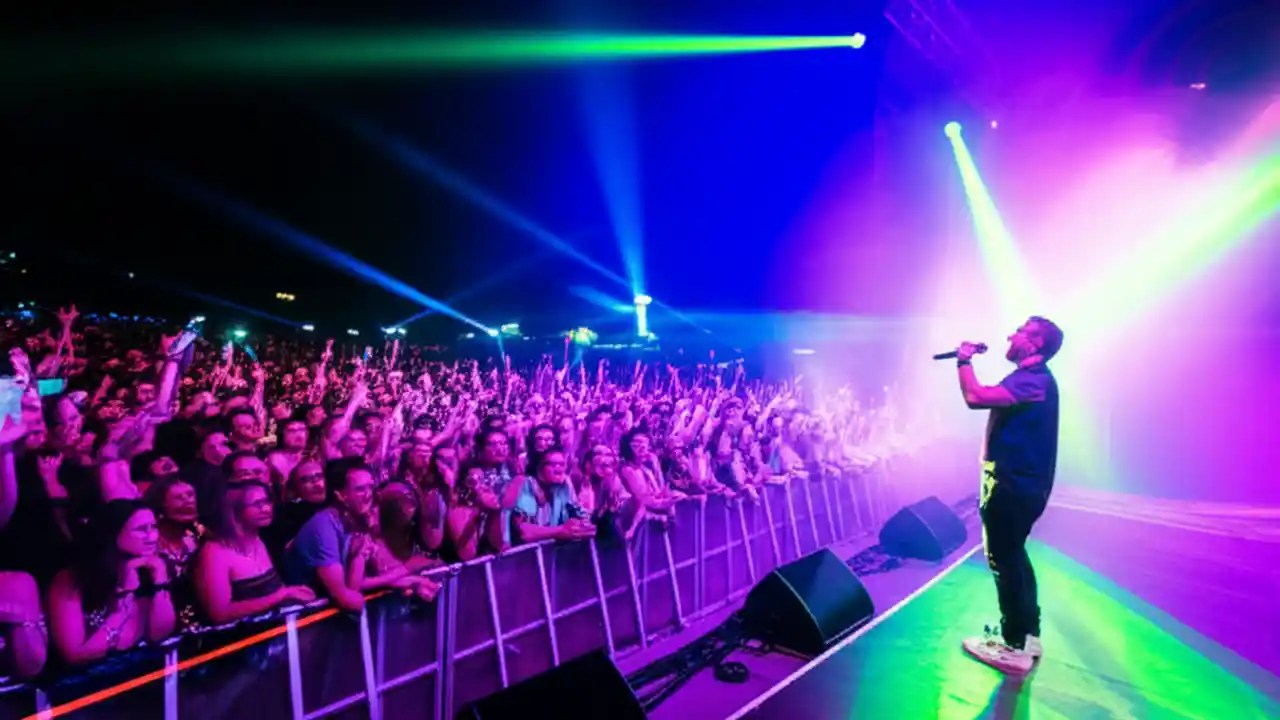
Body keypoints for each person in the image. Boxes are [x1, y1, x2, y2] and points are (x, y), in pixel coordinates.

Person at [955, 316, 1063, 675]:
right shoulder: (1030, 377)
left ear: (1033, 344)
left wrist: (964, 360)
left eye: (1019, 331)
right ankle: (1028, 637)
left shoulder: (1034, 380)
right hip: (1020, 484)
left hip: (1012, 485)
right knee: (1014, 556)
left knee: (1003, 559)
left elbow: (975, 397)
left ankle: (1013, 645)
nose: (1009, 335)